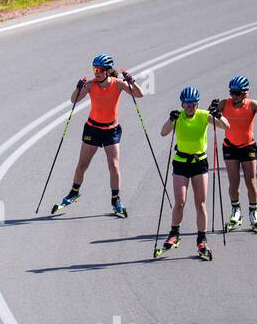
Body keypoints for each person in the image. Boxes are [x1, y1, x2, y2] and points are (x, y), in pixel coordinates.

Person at [52, 54, 143, 218]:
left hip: (111, 131)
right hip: (92, 129)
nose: (97, 73)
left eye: (100, 70)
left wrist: (131, 81)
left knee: (114, 166)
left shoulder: (118, 84)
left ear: (108, 71)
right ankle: (74, 192)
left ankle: (116, 199)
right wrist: (78, 88)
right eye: (95, 69)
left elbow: (139, 94)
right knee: (82, 164)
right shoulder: (90, 85)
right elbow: (73, 100)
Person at [157, 86, 230, 261]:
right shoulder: (178, 117)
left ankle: (201, 239)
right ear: (182, 104)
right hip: (181, 162)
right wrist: (170, 119)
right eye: (187, 103)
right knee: (180, 202)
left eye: (193, 103)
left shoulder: (204, 115)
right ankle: (174, 234)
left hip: (199, 163)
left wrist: (218, 115)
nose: (190, 106)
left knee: (200, 203)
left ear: (197, 103)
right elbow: (163, 133)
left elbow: (226, 126)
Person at [220, 75, 257, 233]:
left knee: (250, 182)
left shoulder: (252, 105)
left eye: (237, 93)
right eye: (232, 92)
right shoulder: (224, 103)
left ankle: (254, 213)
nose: (233, 96)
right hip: (230, 147)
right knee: (233, 183)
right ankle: (236, 212)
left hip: (248, 147)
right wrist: (212, 109)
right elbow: (209, 118)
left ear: (245, 93)